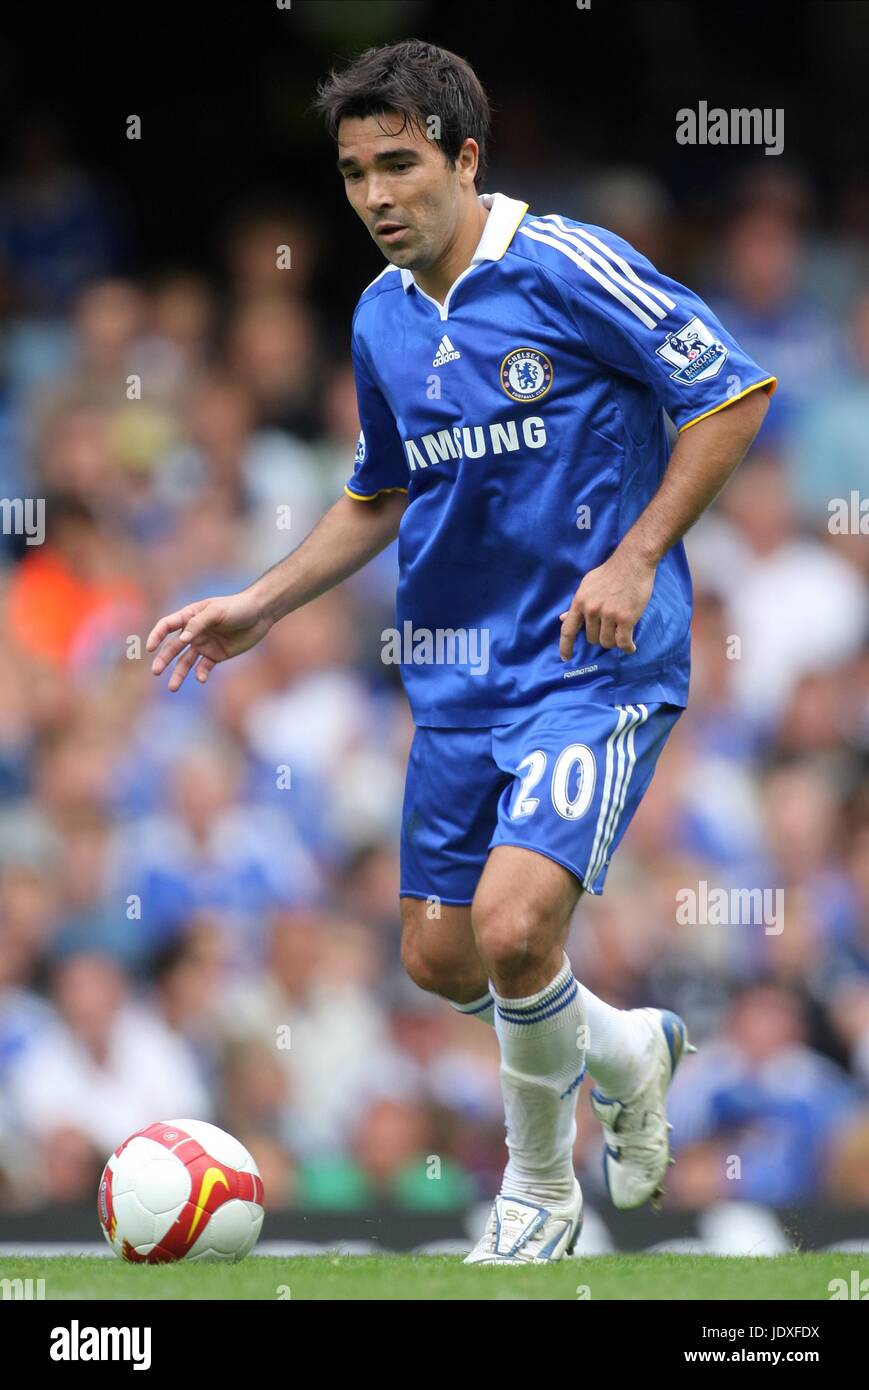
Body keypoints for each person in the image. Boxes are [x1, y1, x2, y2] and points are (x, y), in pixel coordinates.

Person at [147, 40, 775, 1265]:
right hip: (457, 683)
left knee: (510, 926)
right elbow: (379, 494)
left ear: (464, 156)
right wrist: (261, 602)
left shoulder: (563, 263)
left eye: (399, 164)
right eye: (352, 173)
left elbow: (729, 392)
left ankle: (539, 1191)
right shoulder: (380, 316)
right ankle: (627, 1049)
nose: (376, 196)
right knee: (440, 958)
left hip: (591, 665)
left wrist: (638, 553)